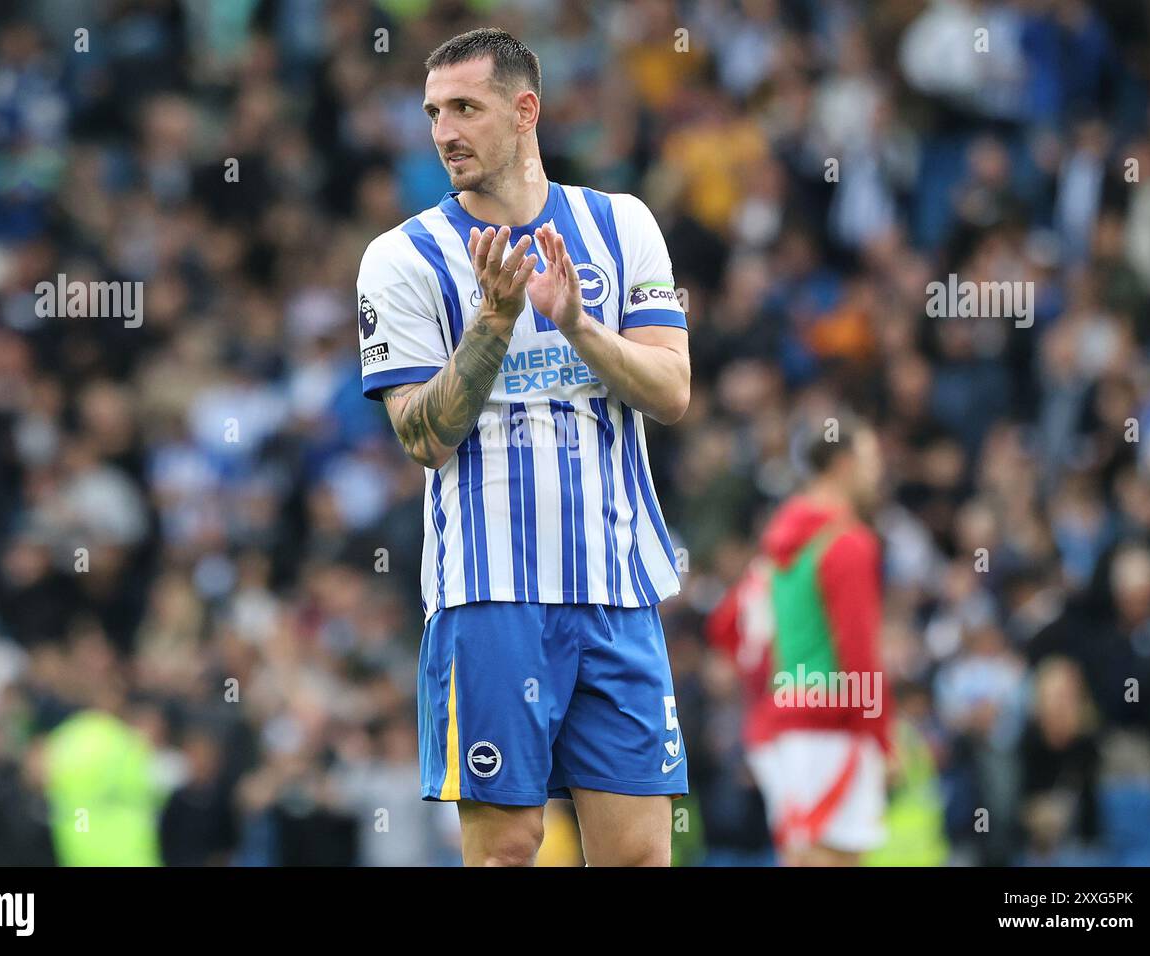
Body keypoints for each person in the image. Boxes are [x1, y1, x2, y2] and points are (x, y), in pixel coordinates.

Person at [356, 28, 691, 866]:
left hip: (618, 588)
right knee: (509, 849)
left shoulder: (620, 224)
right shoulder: (400, 259)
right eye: (434, 113)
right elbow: (422, 437)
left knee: (643, 856)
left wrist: (577, 325)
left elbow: (671, 391)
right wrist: (495, 324)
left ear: (524, 110)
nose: (444, 132)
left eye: (465, 108)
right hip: (488, 592)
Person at [707, 420, 892, 865]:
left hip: (783, 724)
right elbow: (860, 653)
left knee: (804, 855)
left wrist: (768, 691)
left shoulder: (778, 545)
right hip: (832, 725)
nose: (878, 473)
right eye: (871, 461)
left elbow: (726, 623)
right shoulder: (848, 543)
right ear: (844, 466)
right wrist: (880, 733)